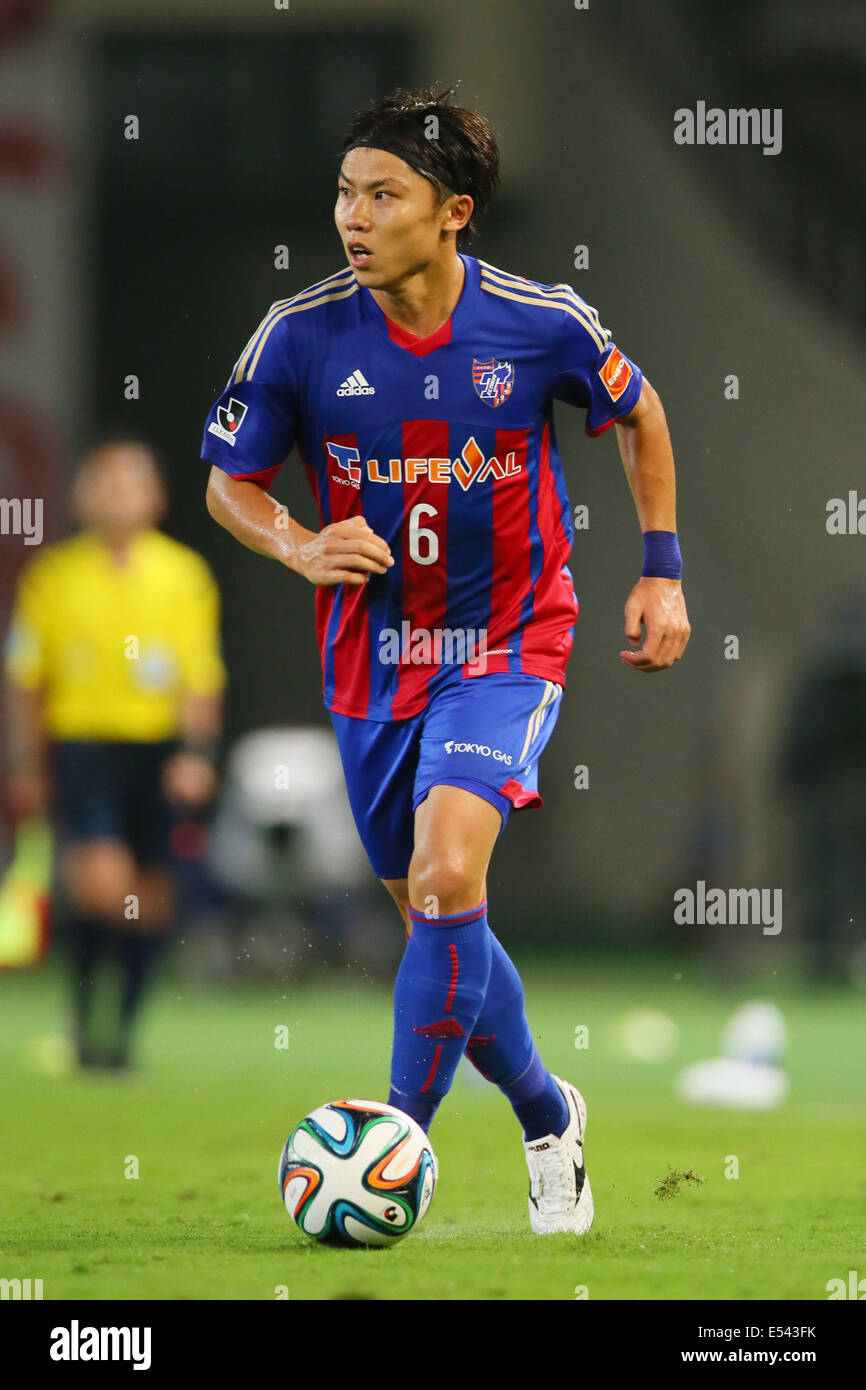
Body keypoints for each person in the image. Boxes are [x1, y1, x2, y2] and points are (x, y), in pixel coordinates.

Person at [202, 86, 690, 1233]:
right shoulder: (299, 333)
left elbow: (639, 410)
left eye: (381, 195)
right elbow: (230, 481)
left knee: (444, 875)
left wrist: (659, 568)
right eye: (343, 191)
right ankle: (544, 1112)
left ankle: (386, 1142)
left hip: (511, 638)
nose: (350, 216)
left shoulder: (538, 321)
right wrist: (299, 539)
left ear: (452, 211)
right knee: (435, 908)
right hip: (372, 662)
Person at [4, 438, 225, 1068]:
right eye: (102, 481)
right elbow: (27, 679)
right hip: (85, 748)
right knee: (102, 887)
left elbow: (200, 678)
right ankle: (78, 1024)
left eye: (130, 481)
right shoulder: (53, 577)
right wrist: (29, 764)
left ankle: (120, 1037)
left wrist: (195, 753)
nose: (115, 493)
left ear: (155, 496)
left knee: (149, 898)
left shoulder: (183, 575)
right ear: (80, 496)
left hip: (155, 752)